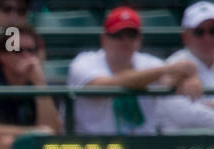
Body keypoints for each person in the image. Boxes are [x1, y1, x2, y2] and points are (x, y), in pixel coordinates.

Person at [67, 6, 200, 134]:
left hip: (143, 147)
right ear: (104, 39)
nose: (125, 41)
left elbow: (172, 77)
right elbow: (100, 86)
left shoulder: (149, 63)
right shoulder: (84, 62)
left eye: (131, 35)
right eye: (118, 35)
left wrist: (188, 78)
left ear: (139, 39)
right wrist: (164, 70)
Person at [0, 25, 62, 149]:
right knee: (6, 143)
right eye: (18, 50)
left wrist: (40, 85)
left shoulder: (41, 82)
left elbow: (52, 131)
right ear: (2, 55)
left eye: (31, 50)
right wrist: (35, 132)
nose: (26, 55)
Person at [158, 2, 214, 130]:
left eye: (213, 31)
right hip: (180, 147)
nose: (208, 38)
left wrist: (206, 105)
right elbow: (186, 116)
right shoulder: (174, 65)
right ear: (185, 36)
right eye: (199, 32)